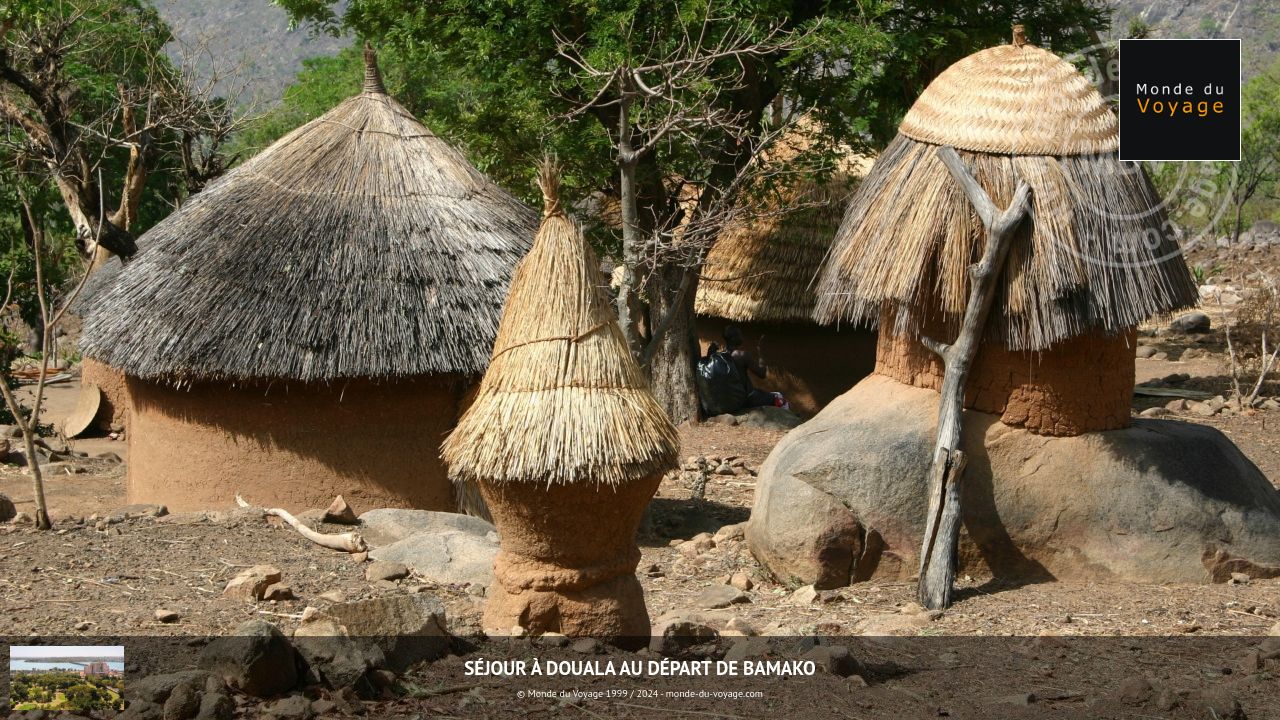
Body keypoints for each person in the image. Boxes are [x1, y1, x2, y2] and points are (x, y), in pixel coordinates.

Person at [722, 325, 788, 410]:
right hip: (747, 399)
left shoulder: (720, 356)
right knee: (778, 397)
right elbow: (762, 374)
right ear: (733, 339)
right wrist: (761, 352)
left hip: (732, 399)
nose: (742, 337)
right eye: (739, 335)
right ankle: (791, 422)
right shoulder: (742, 355)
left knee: (761, 392)